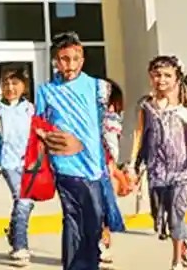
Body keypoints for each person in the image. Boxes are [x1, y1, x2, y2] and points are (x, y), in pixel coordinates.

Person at [34, 32, 116, 270]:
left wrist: (112, 163)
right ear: (55, 62)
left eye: (74, 58)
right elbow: (39, 124)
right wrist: (48, 138)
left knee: (94, 220)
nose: (69, 65)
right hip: (66, 165)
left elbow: (107, 127)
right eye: (63, 59)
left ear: (82, 58)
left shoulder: (98, 87)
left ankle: (87, 264)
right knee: (73, 217)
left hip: (94, 165)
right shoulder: (46, 91)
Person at [127, 55, 187, 270]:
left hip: (182, 169)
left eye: (167, 75)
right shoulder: (146, 105)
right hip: (157, 169)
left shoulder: (186, 105)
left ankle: (176, 261)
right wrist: (133, 164)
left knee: (177, 214)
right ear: (151, 77)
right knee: (159, 216)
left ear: (177, 78)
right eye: (157, 75)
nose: (162, 80)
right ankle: (183, 239)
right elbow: (139, 134)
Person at [0, 68, 37, 265]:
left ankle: (14, 231)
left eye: (15, 83)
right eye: (6, 83)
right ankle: (20, 246)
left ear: (24, 86)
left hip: (29, 163)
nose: (10, 88)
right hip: (8, 163)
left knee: (26, 202)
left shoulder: (29, 108)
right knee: (23, 199)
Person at [99, 79, 128, 265]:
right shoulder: (107, 116)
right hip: (100, 163)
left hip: (106, 162)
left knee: (104, 205)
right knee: (103, 205)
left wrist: (116, 169)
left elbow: (112, 144)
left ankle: (104, 243)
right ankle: (102, 244)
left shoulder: (112, 116)